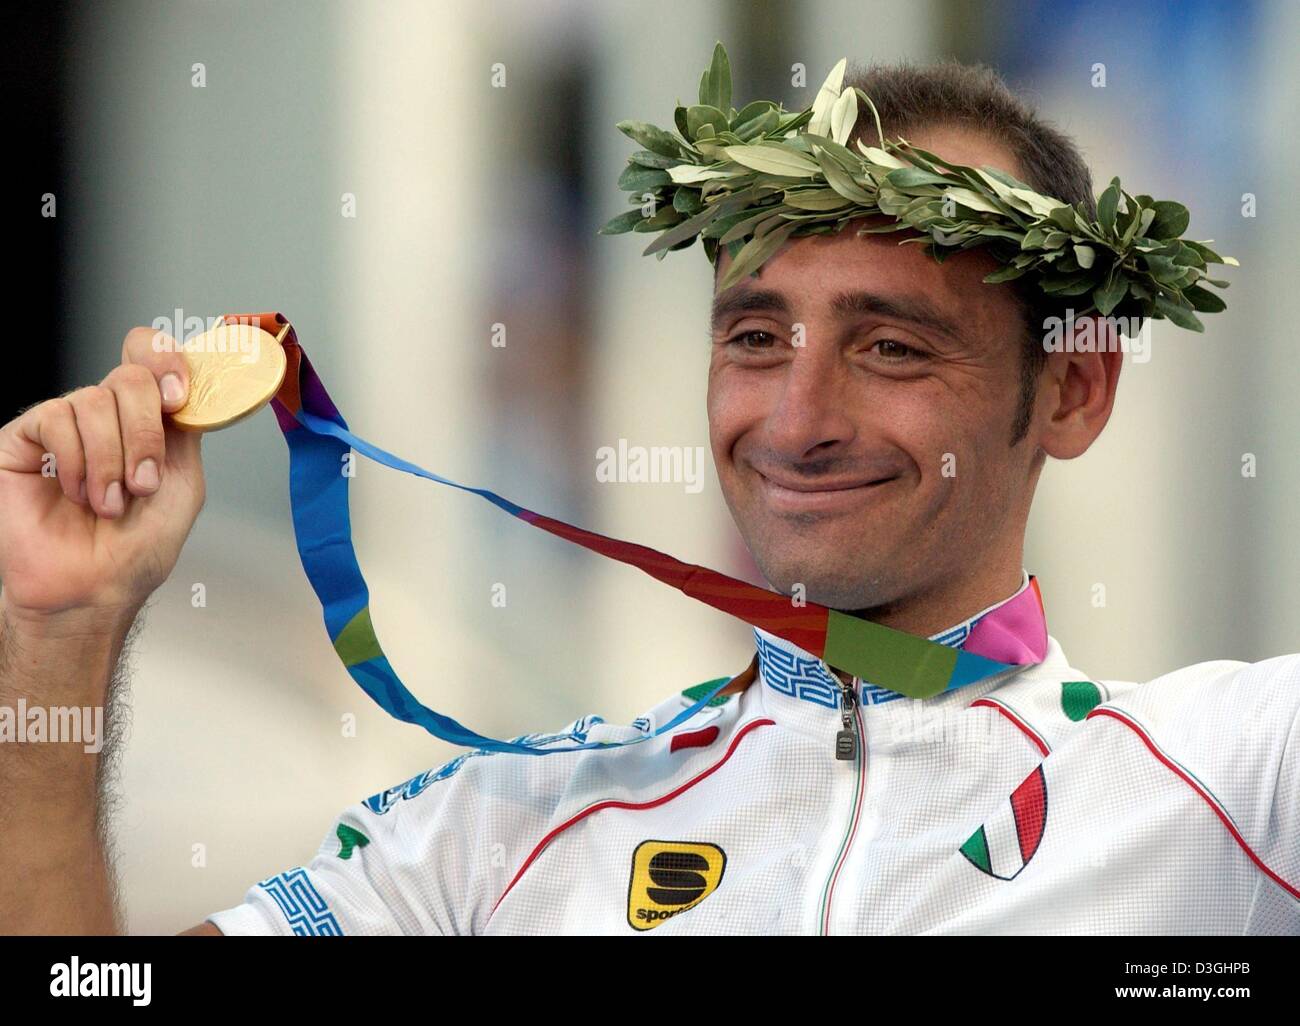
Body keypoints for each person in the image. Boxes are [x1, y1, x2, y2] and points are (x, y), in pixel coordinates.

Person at [1, 57, 1295, 937]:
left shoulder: (1236, 780)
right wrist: (60, 637)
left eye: (892, 344)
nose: (797, 418)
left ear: (1073, 393)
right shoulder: (497, 833)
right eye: (754, 338)